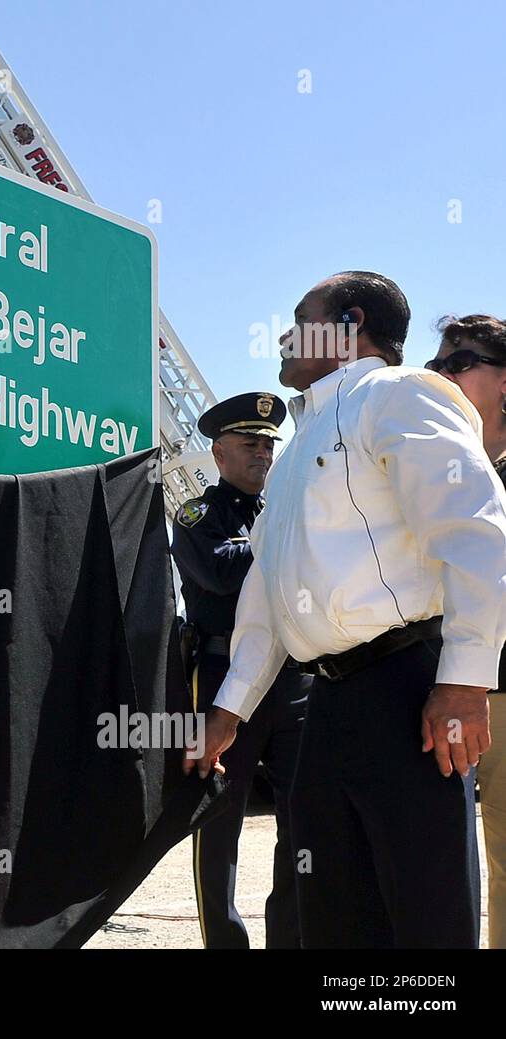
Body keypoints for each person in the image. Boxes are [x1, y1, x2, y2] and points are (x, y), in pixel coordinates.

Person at [184, 271, 506, 948]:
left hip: (410, 692)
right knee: (332, 913)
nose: (282, 334)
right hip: (327, 705)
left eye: (299, 318)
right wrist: (228, 710)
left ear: (348, 322)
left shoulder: (396, 394)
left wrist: (465, 679)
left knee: (422, 915)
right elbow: (267, 592)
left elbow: (474, 530)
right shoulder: (299, 445)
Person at [171, 392, 310, 949]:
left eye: (269, 444)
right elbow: (222, 575)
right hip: (223, 673)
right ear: (219, 451)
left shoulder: (282, 512)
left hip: (294, 674)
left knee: (301, 820)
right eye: (249, 443)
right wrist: (279, 533)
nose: (263, 453)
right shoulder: (199, 515)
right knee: (219, 823)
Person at [426, 313, 506, 948]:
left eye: (458, 363)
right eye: (436, 364)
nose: (439, 376)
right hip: (432, 691)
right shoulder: (432, 468)